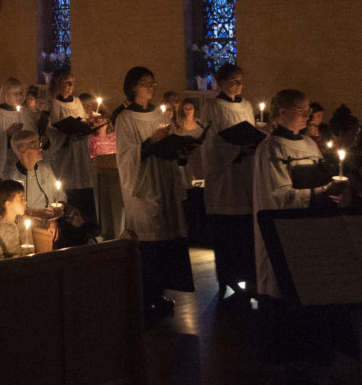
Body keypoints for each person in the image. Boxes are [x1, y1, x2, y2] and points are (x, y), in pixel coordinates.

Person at [251, 88, 347, 367]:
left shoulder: (309, 144)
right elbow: (277, 196)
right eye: (300, 110)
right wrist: (317, 192)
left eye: (308, 110)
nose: (307, 115)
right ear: (281, 112)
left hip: (311, 228)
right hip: (285, 230)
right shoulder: (270, 148)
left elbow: (319, 181)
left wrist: (332, 192)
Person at [112, 67, 195, 314]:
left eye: (152, 83)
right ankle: (145, 296)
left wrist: (180, 151)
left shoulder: (160, 115)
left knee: (167, 243)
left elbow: (169, 143)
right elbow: (126, 156)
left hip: (165, 182)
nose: (150, 87)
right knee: (149, 244)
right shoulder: (125, 118)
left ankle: (160, 293)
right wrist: (151, 142)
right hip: (144, 186)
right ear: (132, 87)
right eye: (144, 83)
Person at [200, 63, 265, 297]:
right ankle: (227, 279)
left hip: (244, 174)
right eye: (234, 81)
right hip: (224, 179)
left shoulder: (247, 105)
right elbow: (210, 144)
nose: (239, 85)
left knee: (245, 231)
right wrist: (236, 148)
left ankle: (248, 278)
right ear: (221, 82)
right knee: (227, 231)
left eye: (241, 80)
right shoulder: (212, 107)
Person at [42, 67, 97, 233]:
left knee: (84, 189)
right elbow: (51, 131)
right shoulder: (54, 104)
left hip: (80, 151)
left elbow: (82, 121)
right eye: (66, 83)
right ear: (58, 84)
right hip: (65, 154)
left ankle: (88, 229)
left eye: (72, 83)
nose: (70, 86)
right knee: (70, 189)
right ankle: (70, 229)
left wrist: (87, 124)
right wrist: (66, 131)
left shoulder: (77, 102)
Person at [4, 127, 78, 241]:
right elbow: (15, 209)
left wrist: (60, 207)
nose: (40, 149)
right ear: (23, 149)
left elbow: (59, 194)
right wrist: (38, 214)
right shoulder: (12, 177)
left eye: (40, 144)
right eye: (36, 146)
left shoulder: (45, 168)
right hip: (29, 223)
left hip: (52, 220)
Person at [0, 179, 37, 258]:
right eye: (21, 199)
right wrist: (20, 257)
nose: (25, 202)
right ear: (8, 204)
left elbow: (38, 222)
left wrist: (51, 224)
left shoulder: (22, 220)